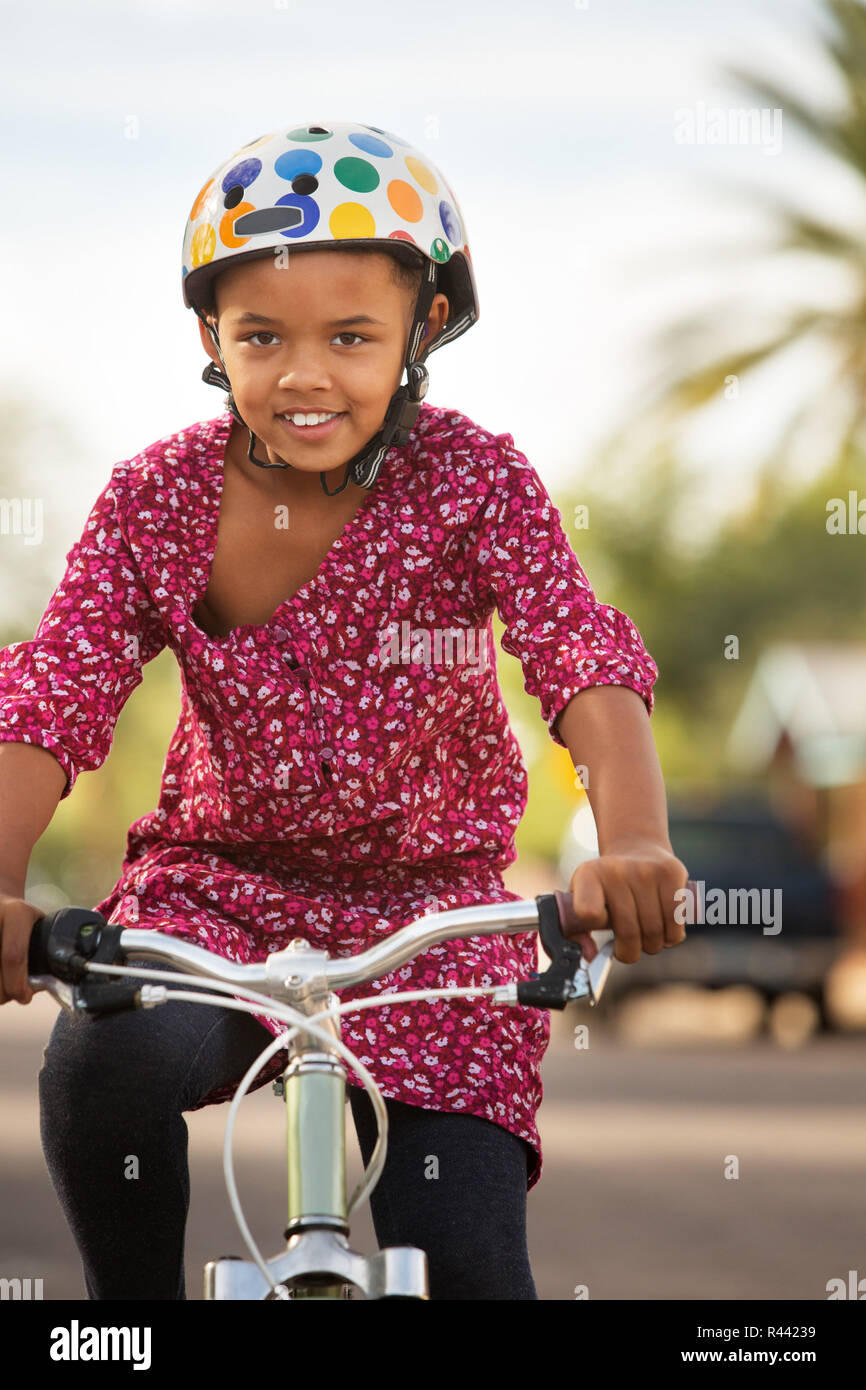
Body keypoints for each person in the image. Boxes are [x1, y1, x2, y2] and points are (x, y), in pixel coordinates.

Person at [0, 119, 688, 1301]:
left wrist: (630, 843)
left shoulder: (476, 482)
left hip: (435, 915)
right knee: (99, 1056)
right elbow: (57, 689)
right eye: (262, 334)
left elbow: (575, 656)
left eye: (351, 336)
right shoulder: (158, 499)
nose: (304, 374)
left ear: (422, 331)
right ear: (210, 335)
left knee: (470, 1261)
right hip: (214, 897)